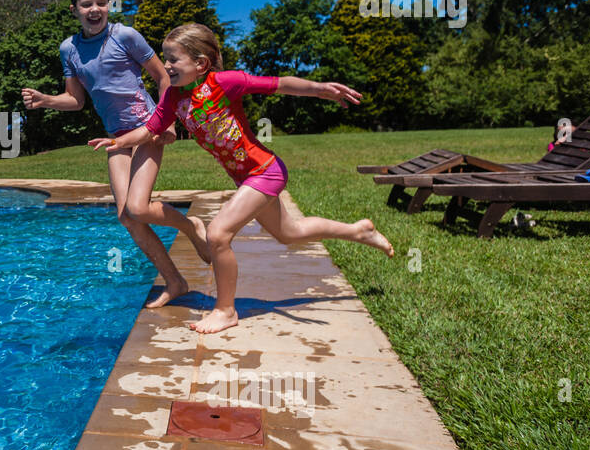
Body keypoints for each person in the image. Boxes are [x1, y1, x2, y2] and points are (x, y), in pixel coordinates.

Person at [88, 22, 394, 333]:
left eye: (173, 59)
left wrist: (318, 88)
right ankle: (359, 231)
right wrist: (118, 141)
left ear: (200, 63)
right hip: (245, 178)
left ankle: (225, 310)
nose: (166, 66)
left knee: (218, 234)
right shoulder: (174, 98)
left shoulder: (225, 82)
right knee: (290, 232)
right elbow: (150, 129)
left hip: (265, 171)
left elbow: (278, 84)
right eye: (165, 58)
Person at [22, 0, 210, 309]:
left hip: (147, 128)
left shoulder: (125, 36)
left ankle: (191, 226)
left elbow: (163, 77)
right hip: (117, 137)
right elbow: (75, 99)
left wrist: (165, 122)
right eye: (86, 4)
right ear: (74, 10)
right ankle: (176, 282)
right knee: (127, 217)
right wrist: (45, 100)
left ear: (109, 4)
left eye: (101, 2)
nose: (94, 9)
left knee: (139, 208)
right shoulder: (69, 49)